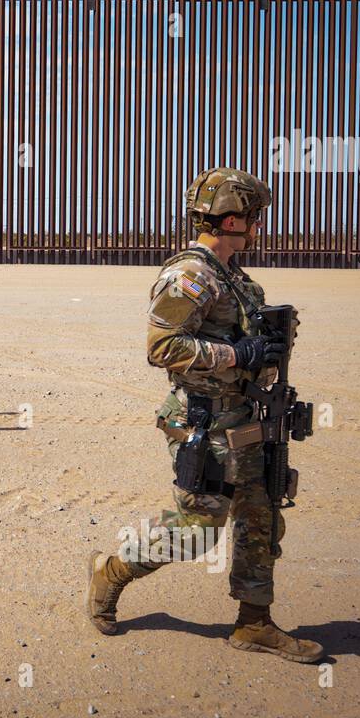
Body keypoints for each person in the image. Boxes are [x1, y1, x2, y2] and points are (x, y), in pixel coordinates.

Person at [85, 168, 324, 663]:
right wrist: (238, 355)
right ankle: (112, 570)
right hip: (204, 423)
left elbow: (249, 341)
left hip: (246, 418)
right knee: (195, 531)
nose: (258, 227)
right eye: (253, 218)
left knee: (261, 519)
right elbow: (162, 346)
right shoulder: (192, 275)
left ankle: (254, 624)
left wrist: (273, 346)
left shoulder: (235, 279)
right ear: (232, 219)